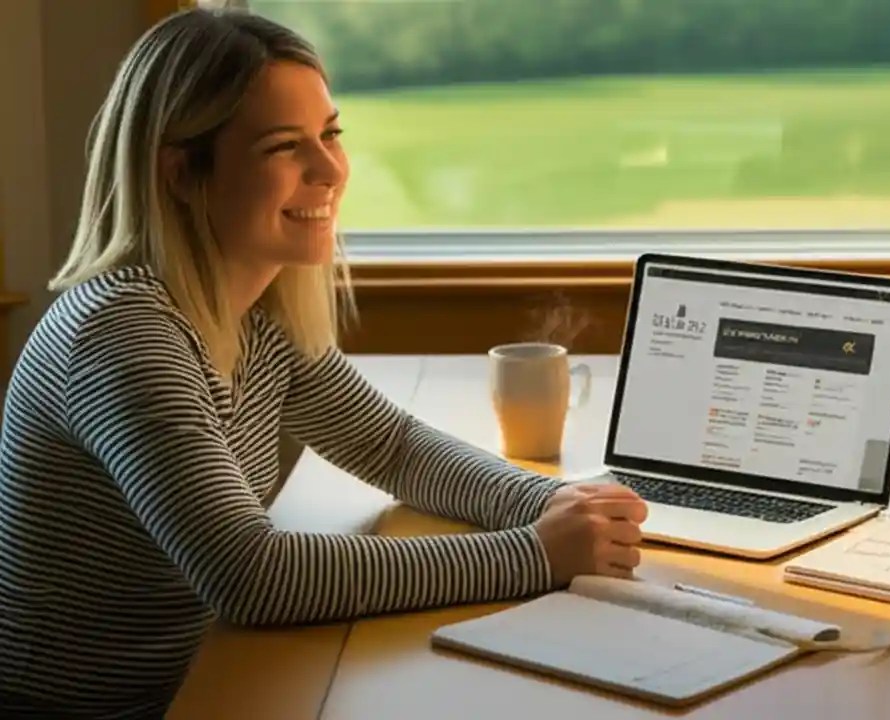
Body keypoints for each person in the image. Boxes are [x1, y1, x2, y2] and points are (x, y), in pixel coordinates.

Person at [0, 7, 647, 718]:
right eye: (284, 147)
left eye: (331, 134)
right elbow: (253, 577)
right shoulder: (120, 334)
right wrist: (537, 555)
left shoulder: (256, 314)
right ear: (182, 173)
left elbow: (390, 446)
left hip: (198, 682)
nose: (330, 169)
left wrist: (551, 504)